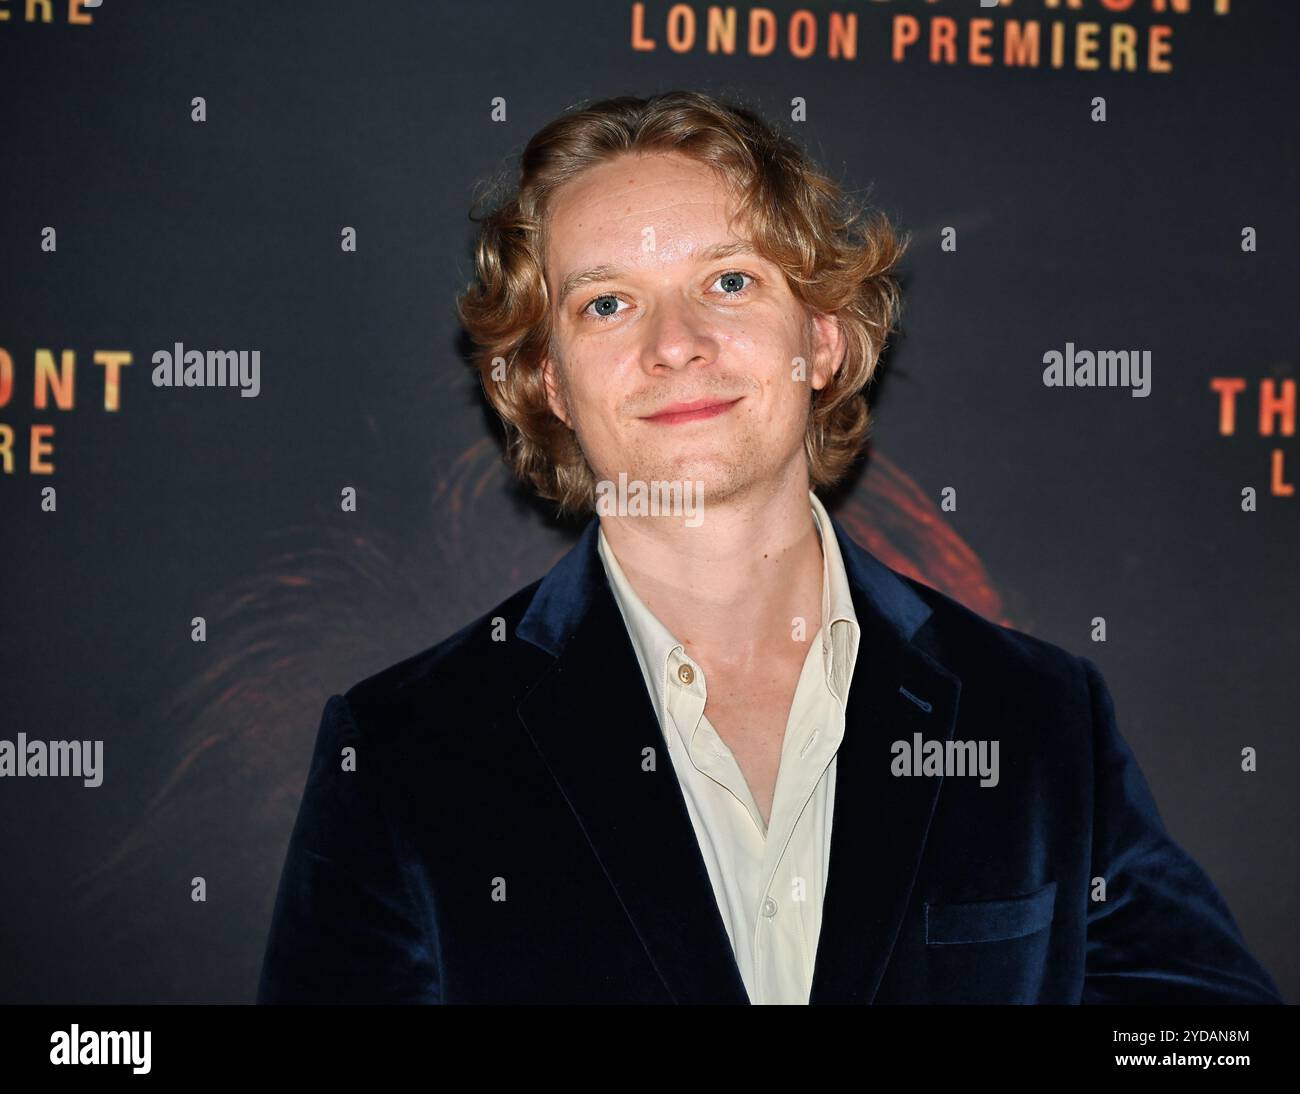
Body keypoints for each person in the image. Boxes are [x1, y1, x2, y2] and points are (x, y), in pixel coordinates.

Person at [256, 90, 1281, 1005]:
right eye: (606, 302)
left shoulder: (1039, 715)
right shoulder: (406, 750)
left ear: (822, 340)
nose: (674, 341)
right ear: (550, 382)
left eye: (730, 281)